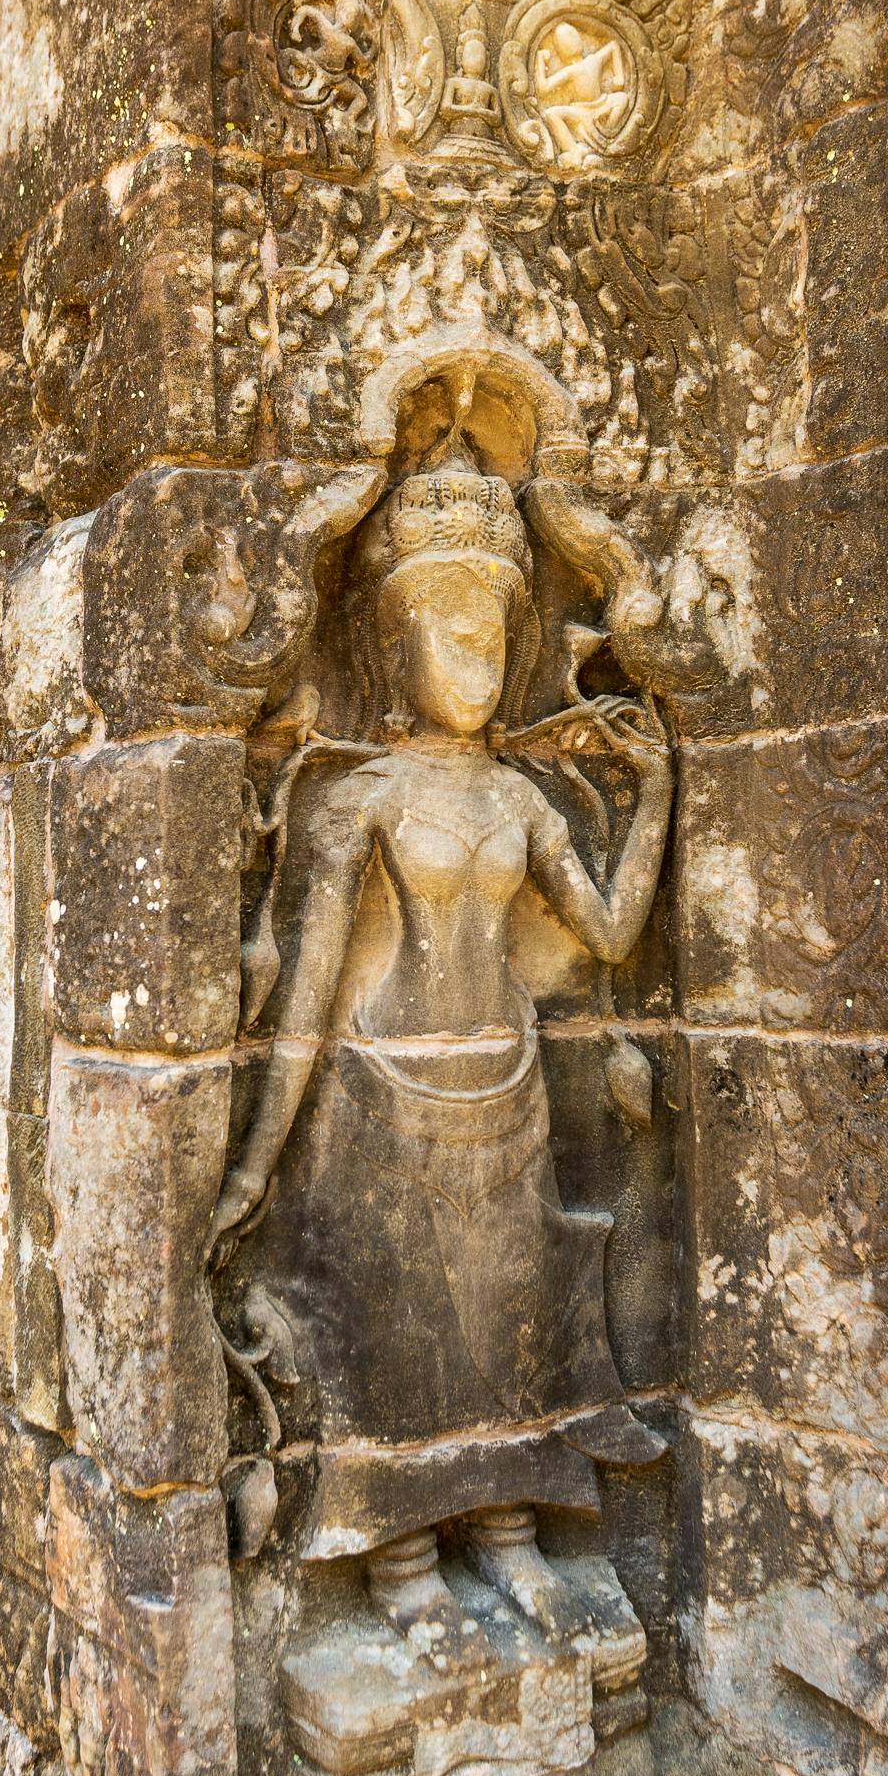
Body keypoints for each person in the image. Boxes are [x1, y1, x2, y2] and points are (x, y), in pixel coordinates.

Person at [207, 453, 670, 1662]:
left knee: (510, 1319)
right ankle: (406, 1561)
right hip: (376, 1095)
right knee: (393, 1334)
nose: (473, 656)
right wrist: (258, 1159)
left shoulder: (519, 798)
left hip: (505, 1088)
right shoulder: (352, 802)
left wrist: (658, 792)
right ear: (389, 645)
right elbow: (303, 998)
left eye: (491, 630)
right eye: (444, 628)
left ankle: (509, 1534)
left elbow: (611, 930)